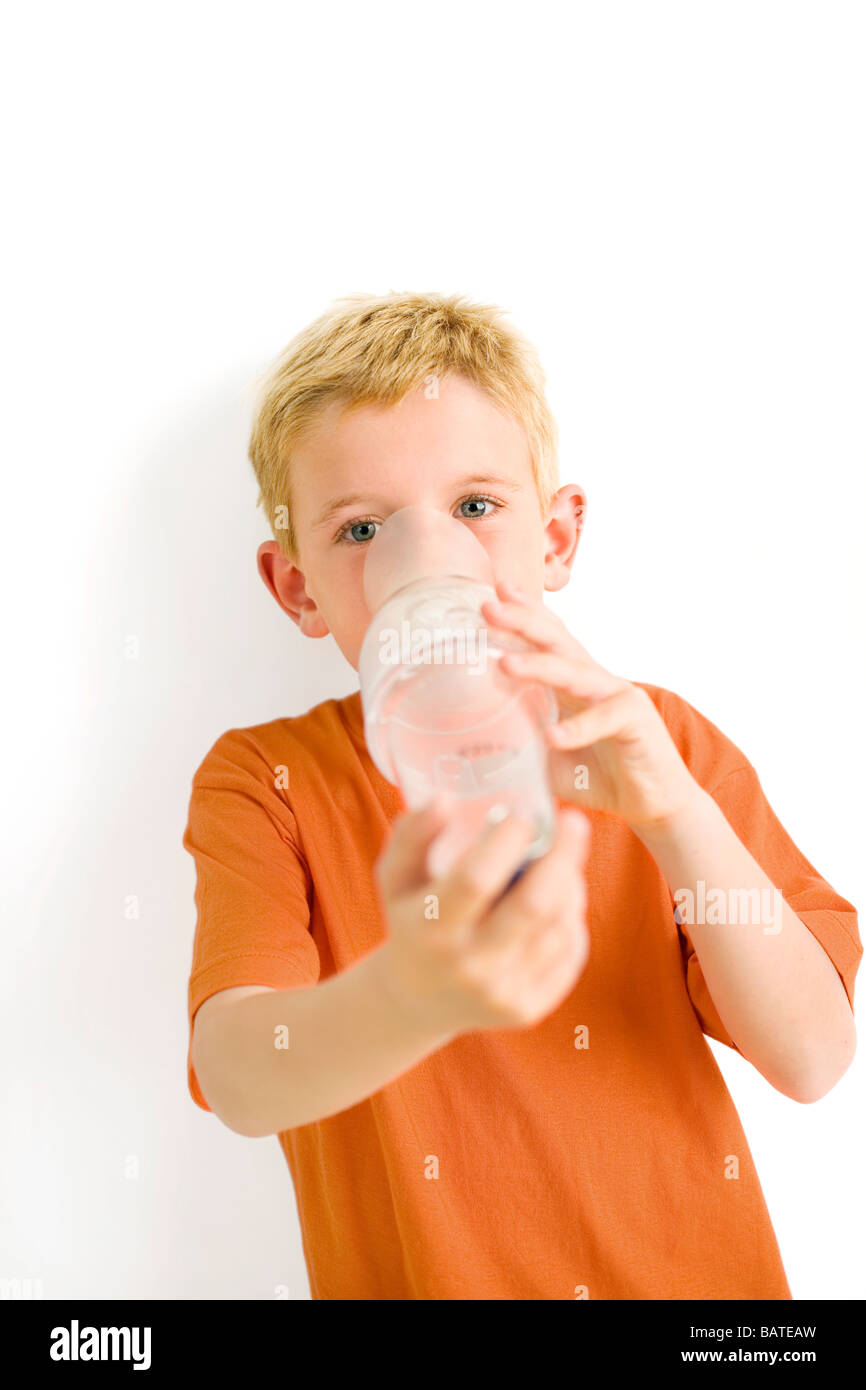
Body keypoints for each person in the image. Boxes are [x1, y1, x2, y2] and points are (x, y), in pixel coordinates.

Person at [183, 291, 861, 1299]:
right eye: (362, 527)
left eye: (473, 507)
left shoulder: (658, 744)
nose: (426, 560)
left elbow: (810, 1056)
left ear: (553, 538)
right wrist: (407, 996)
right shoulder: (270, 782)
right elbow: (240, 1074)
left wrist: (673, 811)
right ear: (299, 590)